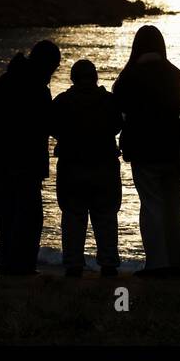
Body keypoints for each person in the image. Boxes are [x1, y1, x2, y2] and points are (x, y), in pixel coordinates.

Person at [112, 25, 180, 277]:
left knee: (152, 205)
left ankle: (157, 263)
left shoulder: (129, 76)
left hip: (143, 148)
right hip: (173, 147)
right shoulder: (174, 73)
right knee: (176, 207)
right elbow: (179, 105)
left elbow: (118, 109)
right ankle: (178, 263)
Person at [0, 39, 61, 275]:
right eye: (53, 67)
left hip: (3, 155)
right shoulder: (38, 88)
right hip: (27, 158)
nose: (52, 72)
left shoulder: (6, 80)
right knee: (29, 214)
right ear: (46, 64)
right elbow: (47, 123)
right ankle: (25, 264)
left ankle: (6, 263)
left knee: (5, 211)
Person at [50, 59, 123, 277]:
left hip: (72, 167)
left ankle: (73, 265)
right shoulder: (109, 101)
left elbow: (52, 127)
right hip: (105, 167)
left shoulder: (62, 101)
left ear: (72, 78)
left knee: (73, 216)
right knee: (106, 216)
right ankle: (109, 264)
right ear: (96, 77)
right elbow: (118, 126)